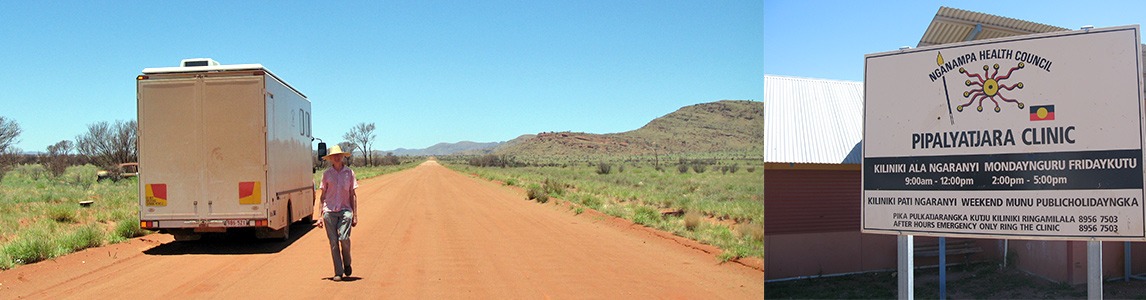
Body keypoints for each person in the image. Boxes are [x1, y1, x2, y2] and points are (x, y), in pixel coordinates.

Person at [317, 144, 358, 281]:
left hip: (345, 210)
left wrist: (355, 215)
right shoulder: (327, 174)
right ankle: (338, 272)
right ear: (330, 159)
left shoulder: (349, 173)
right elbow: (322, 196)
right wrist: (319, 217)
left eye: (339, 155)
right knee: (333, 242)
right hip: (329, 211)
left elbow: (353, 195)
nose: (337, 157)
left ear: (342, 157)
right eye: (334, 156)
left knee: (344, 238)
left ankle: (347, 262)